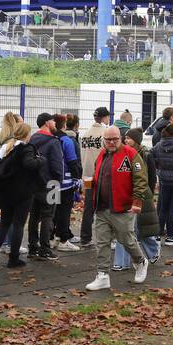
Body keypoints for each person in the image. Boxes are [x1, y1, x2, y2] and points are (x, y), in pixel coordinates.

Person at [84, 126, 149, 292]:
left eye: (115, 139)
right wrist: (88, 186)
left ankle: (140, 261)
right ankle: (102, 275)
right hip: (102, 207)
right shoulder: (102, 155)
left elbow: (141, 179)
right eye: (108, 140)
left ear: (120, 138)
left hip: (123, 208)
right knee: (102, 242)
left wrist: (137, 202)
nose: (111, 142)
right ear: (103, 140)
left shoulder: (131, 154)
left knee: (127, 240)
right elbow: (97, 177)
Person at [0, 117, 42, 269]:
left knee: (4, 223)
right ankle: (13, 258)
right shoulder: (26, 148)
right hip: (23, 193)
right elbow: (29, 165)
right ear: (27, 135)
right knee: (18, 225)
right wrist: (41, 160)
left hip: (6, 192)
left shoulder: (6, 147)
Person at [111, 128, 162, 276]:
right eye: (125, 138)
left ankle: (152, 252)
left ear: (137, 140)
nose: (126, 140)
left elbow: (151, 177)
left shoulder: (146, 154)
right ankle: (122, 262)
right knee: (125, 229)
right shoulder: (121, 153)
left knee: (140, 230)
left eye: (129, 138)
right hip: (125, 196)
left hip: (141, 196)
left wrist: (148, 196)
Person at [27, 112, 64, 261]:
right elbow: (57, 166)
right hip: (52, 184)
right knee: (48, 216)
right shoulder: (54, 141)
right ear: (47, 123)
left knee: (34, 217)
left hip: (33, 184)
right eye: (53, 122)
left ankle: (33, 247)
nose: (55, 124)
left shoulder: (31, 139)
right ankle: (45, 248)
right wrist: (59, 181)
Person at [78, 107, 110, 250]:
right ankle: (109, 238)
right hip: (102, 175)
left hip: (87, 175)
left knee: (88, 208)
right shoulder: (106, 133)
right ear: (105, 117)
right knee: (108, 206)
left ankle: (85, 237)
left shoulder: (85, 134)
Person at [53, 113, 82, 251]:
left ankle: (51, 237)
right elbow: (72, 161)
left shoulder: (49, 138)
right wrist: (77, 179)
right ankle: (63, 239)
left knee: (51, 211)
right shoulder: (67, 140)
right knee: (64, 211)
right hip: (66, 182)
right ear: (64, 125)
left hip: (51, 182)